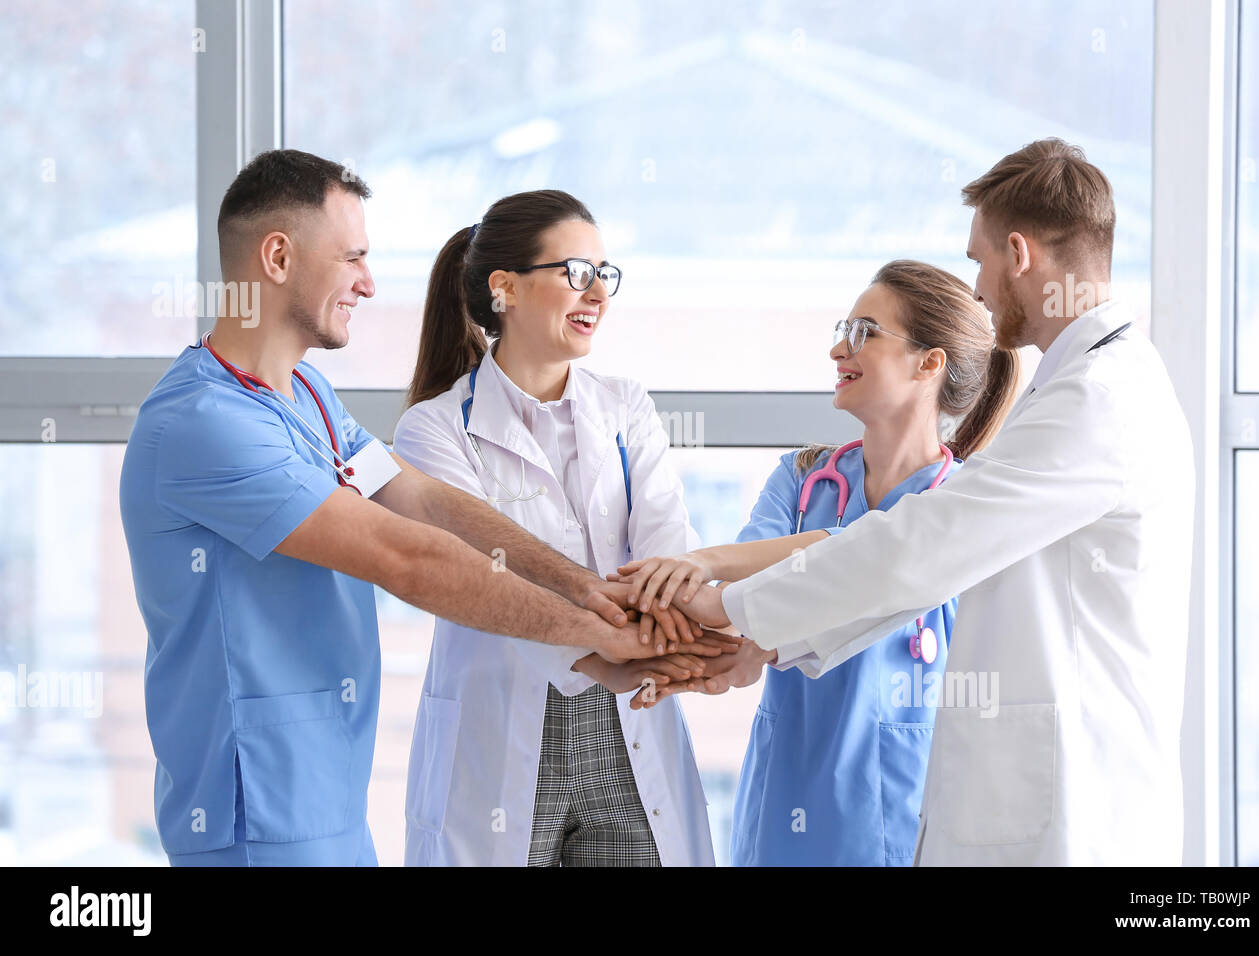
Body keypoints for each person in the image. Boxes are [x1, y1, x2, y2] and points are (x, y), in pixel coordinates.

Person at [627, 139, 1195, 866]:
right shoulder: (1080, 388)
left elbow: (919, 550)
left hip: (1077, 811)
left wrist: (724, 607)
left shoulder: (1097, 399)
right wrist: (751, 641)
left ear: (1019, 254)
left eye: (980, 259)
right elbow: (919, 564)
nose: (980, 288)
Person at [119, 150, 674, 867]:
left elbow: (422, 500)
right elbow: (403, 556)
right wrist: (598, 637)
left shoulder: (309, 398)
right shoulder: (203, 423)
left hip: (331, 803)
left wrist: (585, 591)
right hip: (253, 813)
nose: (369, 283)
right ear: (279, 257)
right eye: (352, 257)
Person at [616, 261, 1019, 865]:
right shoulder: (802, 479)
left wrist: (711, 569)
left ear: (928, 363)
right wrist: (709, 659)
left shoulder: (964, 511)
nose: (838, 348)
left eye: (864, 333)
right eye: (842, 328)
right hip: (786, 798)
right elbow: (744, 610)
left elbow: (851, 563)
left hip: (902, 808)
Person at [394, 189, 728, 867]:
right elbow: (479, 582)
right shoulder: (432, 429)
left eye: (605, 275)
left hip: (631, 722)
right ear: (505, 287)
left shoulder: (625, 407)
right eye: (577, 272)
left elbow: (667, 547)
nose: (598, 293)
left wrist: (653, 639)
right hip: (501, 728)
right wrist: (605, 655)